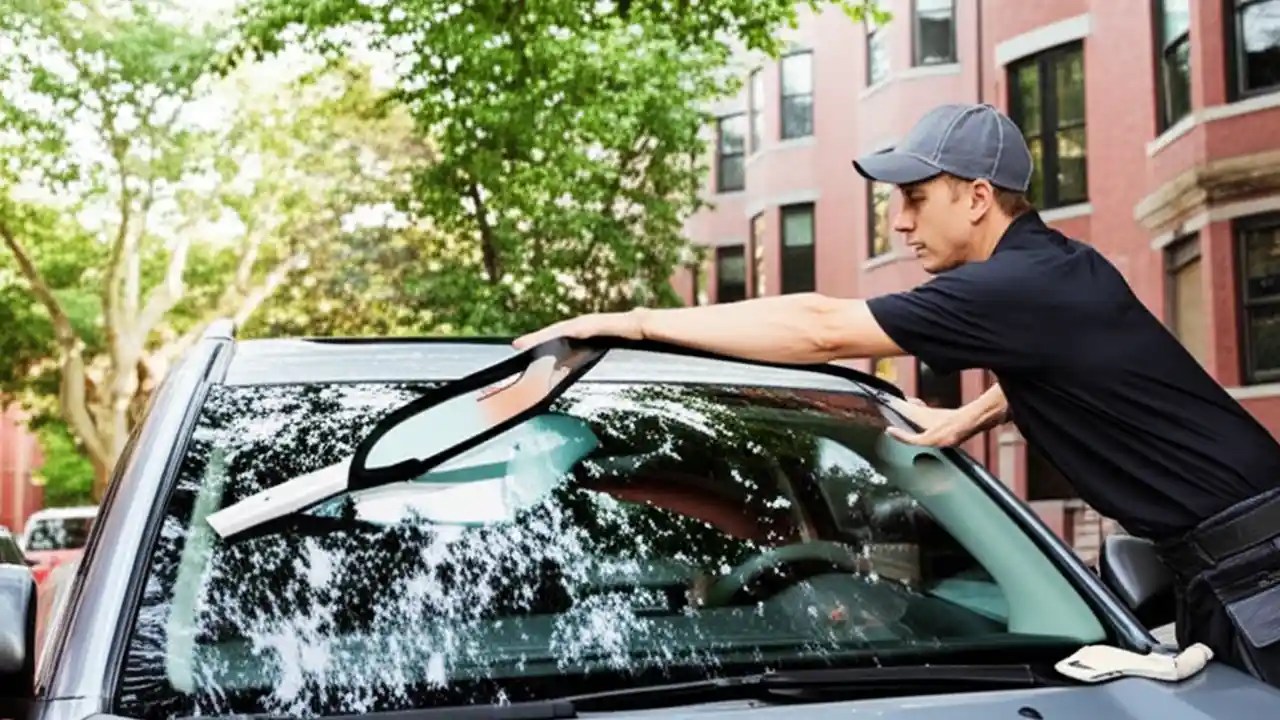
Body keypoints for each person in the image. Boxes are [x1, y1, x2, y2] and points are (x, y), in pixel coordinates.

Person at [513, 102, 1280, 685]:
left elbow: (820, 329)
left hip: (1259, 577)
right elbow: (1082, 368)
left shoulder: (1010, 288)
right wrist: (970, 414)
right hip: (1235, 561)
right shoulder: (1059, 269)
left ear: (977, 198)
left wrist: (636, 323)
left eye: (915, 197)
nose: (899, 221)